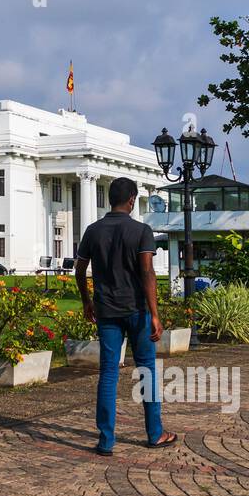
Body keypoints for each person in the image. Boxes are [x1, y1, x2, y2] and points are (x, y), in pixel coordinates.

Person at [74, 176, 177, 455]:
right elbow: (147, 273)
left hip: (106, 310)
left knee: (108, 373)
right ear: (132, 200)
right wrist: (155, 314)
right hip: (137, 310)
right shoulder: (141, 230)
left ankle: (106, 440)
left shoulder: (93, 231)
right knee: (146, 370)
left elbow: (80, 270)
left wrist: (87, 301)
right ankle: (154, 433)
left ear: (110, 199)